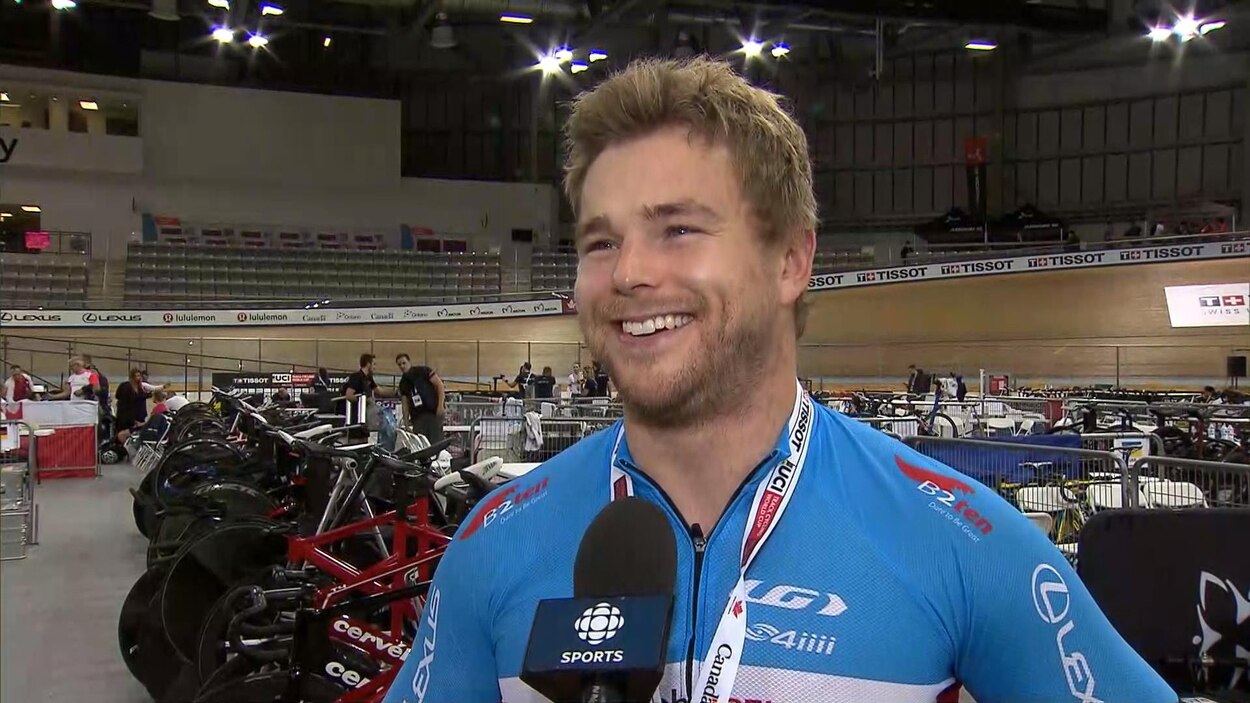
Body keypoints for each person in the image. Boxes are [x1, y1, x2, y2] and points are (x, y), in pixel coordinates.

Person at [383, 57, 1175, 703]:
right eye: (599, 241)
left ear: (792, 260)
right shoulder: (496, 542)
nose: (628, 272)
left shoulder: (964, 543)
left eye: (678, 229)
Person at [396, 353, 445, 445]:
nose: (402, 366)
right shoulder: (403, 383)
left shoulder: (423, 371)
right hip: (417, 418)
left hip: (432, 413)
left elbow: (439, 385)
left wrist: (440, 405)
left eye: (404, 363)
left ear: (409, 362)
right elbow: (405, 403)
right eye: (399, 365)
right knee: (421, 444)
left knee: (437, 442)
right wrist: (406, 424)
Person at [342, 354, 378, 439]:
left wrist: (395, 392)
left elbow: (378, 390)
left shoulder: (369, 378)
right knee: (356, 442)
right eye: (374, 364)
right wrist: (364, 401)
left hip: (366, 419)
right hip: (356, 418)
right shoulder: (356, 377)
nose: (375, 367)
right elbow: (349, 395)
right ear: (368, 364)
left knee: (365, 442)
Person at [113, 368, 151, 442]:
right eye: (137, 376)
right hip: (127, 418)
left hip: (138, 417)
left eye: (139, 376)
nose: (139, 378)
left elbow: (142, 396)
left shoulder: (140, 387)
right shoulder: (126, 386)